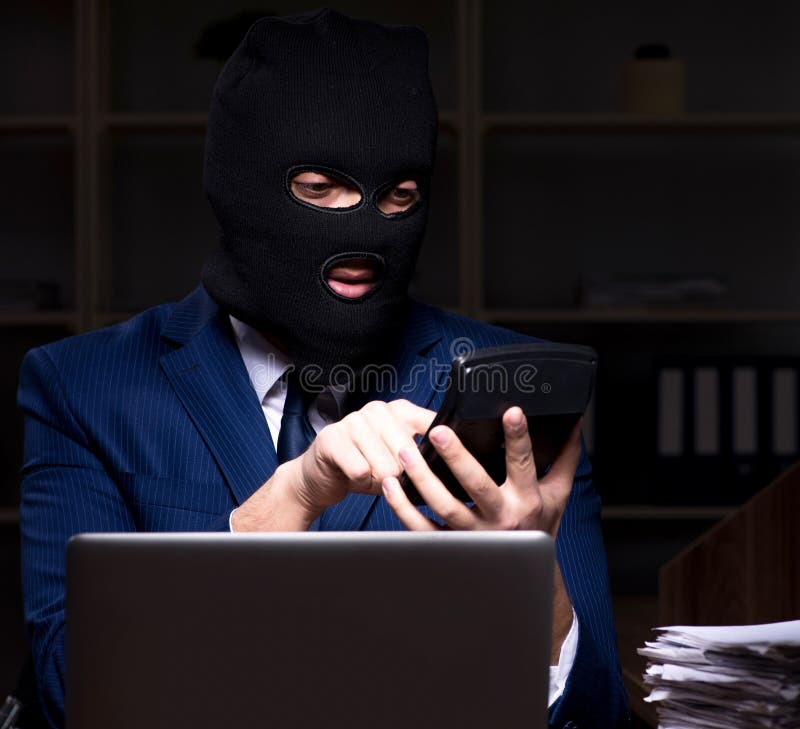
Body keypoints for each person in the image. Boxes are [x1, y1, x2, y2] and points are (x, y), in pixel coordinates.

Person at [17, 9, 629, 729]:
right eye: (318, 188)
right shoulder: (84, 388)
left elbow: (599, 719)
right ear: (240, 181)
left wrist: (537, 587)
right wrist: (296, 494)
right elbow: (70, 694)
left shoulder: (509, 393)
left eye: (399, 197)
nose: (365, 230)